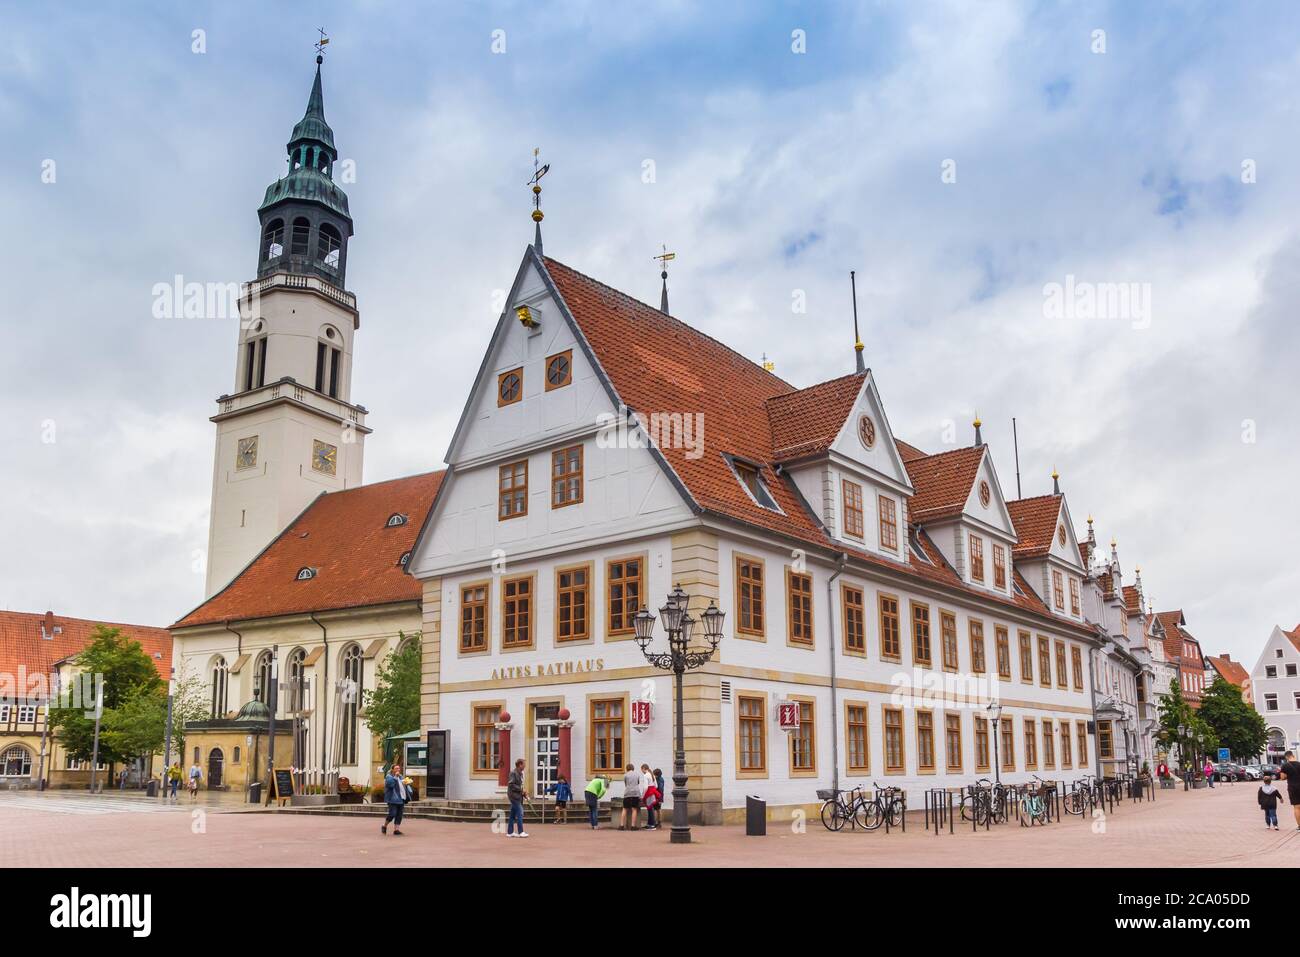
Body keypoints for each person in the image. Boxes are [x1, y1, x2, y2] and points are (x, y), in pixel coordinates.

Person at [381, 763, 409, 835]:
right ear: (392, 769)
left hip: (401, 798)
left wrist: (406, 782)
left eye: (399, 768)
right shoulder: (389, 776)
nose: (398, 770)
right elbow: (390, 785)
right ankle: (384, 826)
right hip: (392, 799)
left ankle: (396, 830)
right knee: (392, 814)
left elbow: (403, 785)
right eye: (396, 768)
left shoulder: (401, 776)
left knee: (399, 814)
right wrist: (395, 777)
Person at [506, 758, 528, 838]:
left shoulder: (520, 773)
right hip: (514, 796)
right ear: (520, 765)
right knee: (520, 813)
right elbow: (511, 785)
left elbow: (520, 785)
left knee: (512, 814)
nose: (525, 766)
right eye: (524, 764)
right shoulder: (513, 773)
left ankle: (510, 832)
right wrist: (521, 790)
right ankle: (521, 832)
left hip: (518, 796)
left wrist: (523, 792)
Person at [1278, 750, 1300, 830]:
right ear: (1293, 755)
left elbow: (1282, 778)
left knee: (1297, 807)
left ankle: (1299, 826)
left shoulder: (1285, 766)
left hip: (1292, 788)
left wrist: (1289, 775)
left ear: (1286, 757)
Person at [620, 763, 643, 831]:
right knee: (634, 809)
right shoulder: (637, 774)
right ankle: (633, 826)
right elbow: (638, 783)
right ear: (633, 768)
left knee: (624, 809)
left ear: (627, 768)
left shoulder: (625, 775)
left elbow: (626, 784)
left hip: (627, 793)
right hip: (635, 793)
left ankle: (621, 825)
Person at [641, 765, 661, 831]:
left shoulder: (646, 775)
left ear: (644, 768)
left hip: (648, 792)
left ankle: (652, 825)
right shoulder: (652, 774)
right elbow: (656, 786)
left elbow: (645, 787)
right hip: (652, 792)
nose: (641, 771)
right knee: (650, 808)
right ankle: (649, 824)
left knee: (650, 808)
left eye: (642, 769)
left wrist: (643, 795)